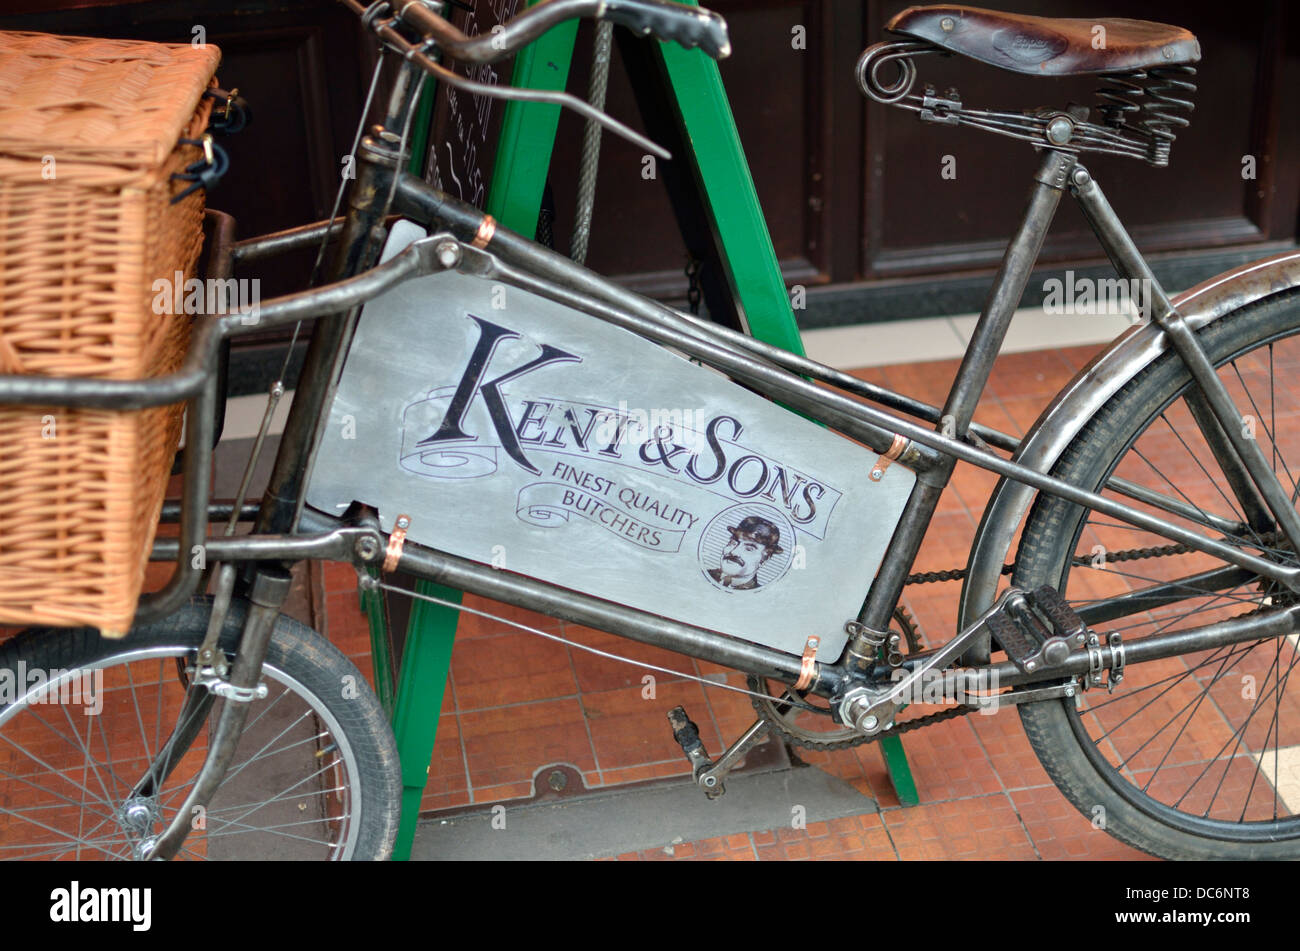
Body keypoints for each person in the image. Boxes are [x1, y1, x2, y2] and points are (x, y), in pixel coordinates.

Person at [707, 515, 783, 590]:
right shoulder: (703, 576)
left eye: (749, 549)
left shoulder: (758, 597)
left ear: (764, 559)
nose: (734, 552)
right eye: (733, 543)